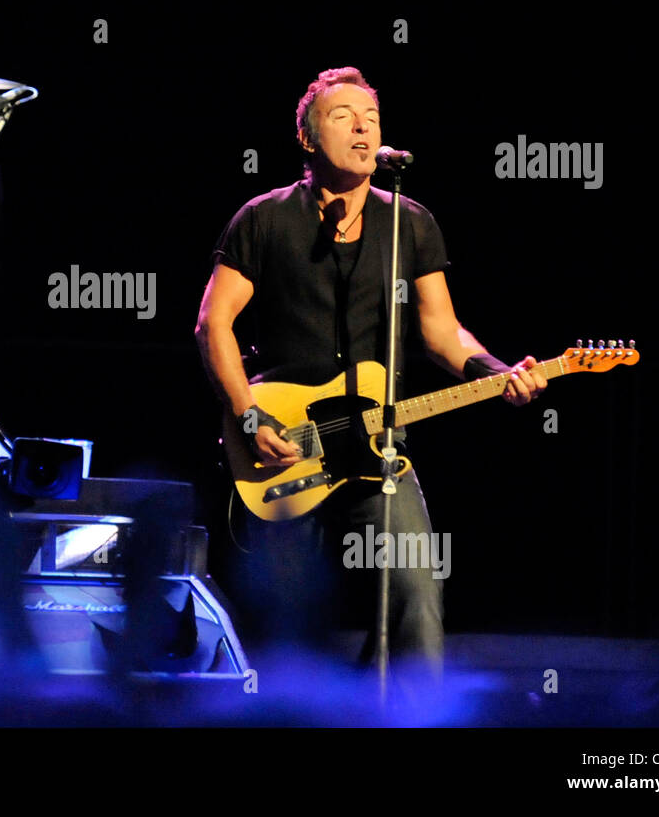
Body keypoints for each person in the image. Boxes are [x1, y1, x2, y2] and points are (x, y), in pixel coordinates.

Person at [194, 66, 546, 684]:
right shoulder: (264, 219)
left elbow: (441, 333)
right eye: (342, 116)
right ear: (306, 138)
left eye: (372, 118)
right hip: (283, 448)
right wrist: (250, 415)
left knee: (417, 595)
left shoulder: (409, 222)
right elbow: (211, 324)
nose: (362, 128)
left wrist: (498, 371)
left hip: (376, 447)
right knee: (280, 624)